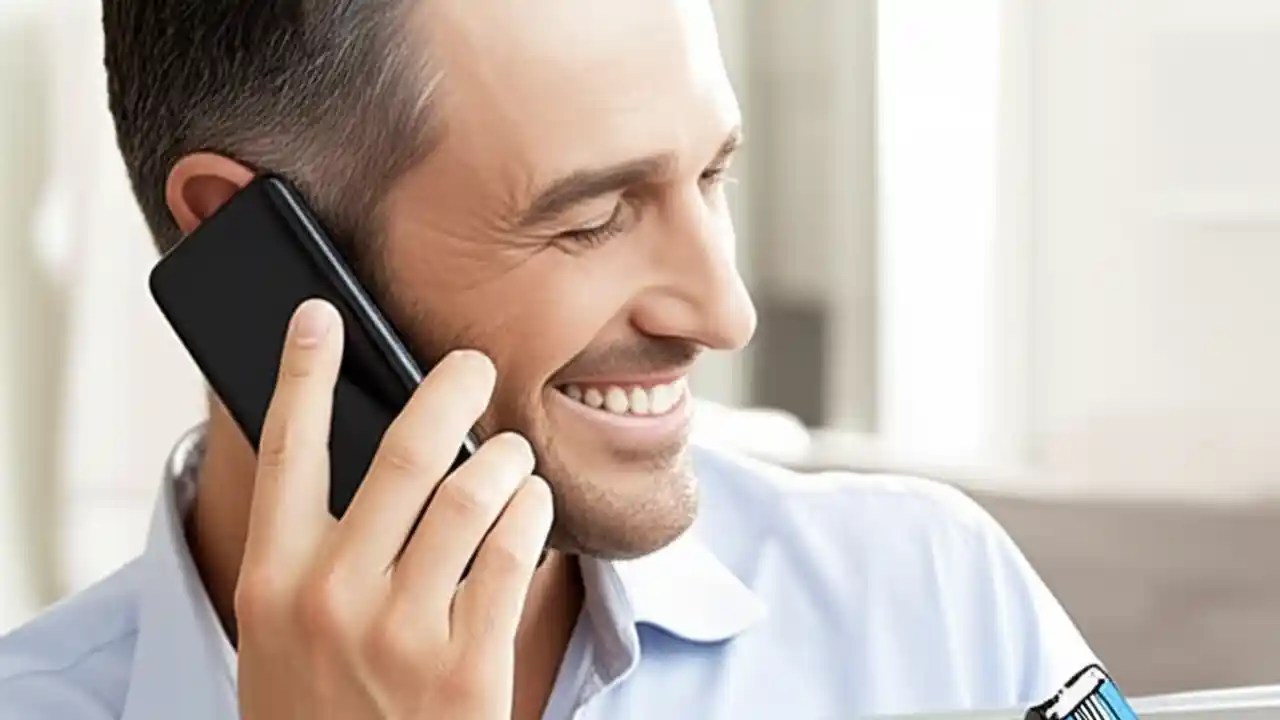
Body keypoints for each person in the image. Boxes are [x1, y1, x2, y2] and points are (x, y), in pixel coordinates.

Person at [0, 2, 1095, 718]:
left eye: (710, 178)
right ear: (253, 252)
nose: (724, 312)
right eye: (590, 218)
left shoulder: (932, 599)